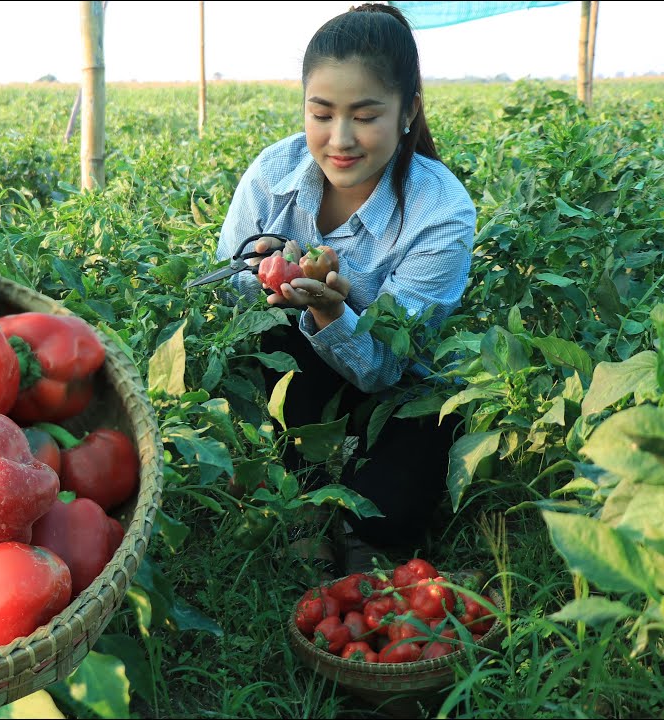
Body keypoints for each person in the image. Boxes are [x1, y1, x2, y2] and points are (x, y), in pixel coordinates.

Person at [214, 3, 476, 563]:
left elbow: (386, 364)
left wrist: (333, 310)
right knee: (276, 335)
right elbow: (226, 304)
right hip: (301, 375)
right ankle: (299, 490)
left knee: (388, 512)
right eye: (321, 113)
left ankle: (353, 504)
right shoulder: (272, 175)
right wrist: (257, 275)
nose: (340, 138)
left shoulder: (440, 210)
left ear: (408, 111)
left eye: (365, 115)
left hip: (400, 384)